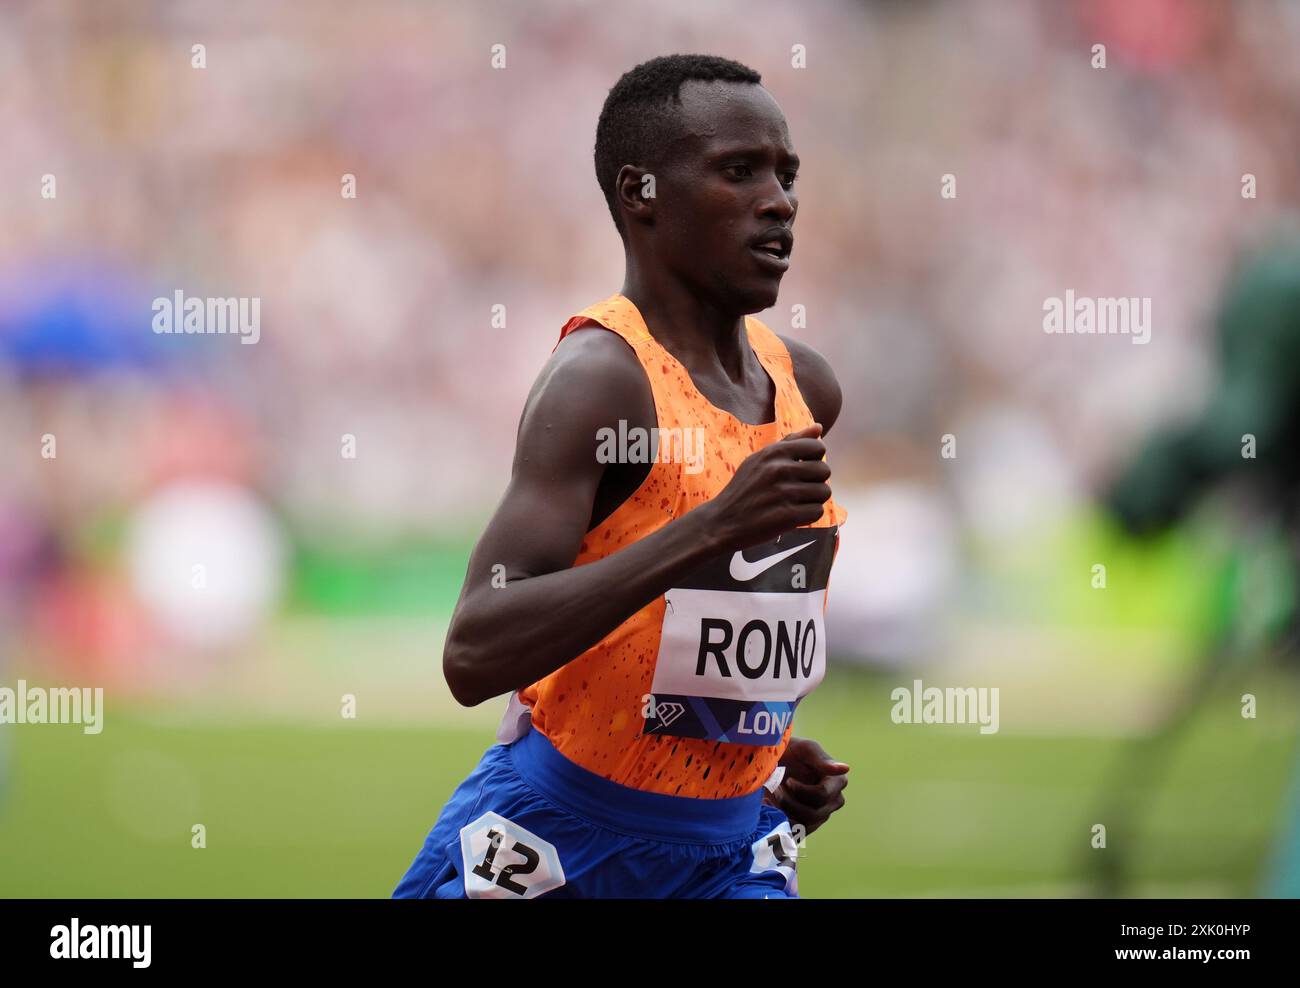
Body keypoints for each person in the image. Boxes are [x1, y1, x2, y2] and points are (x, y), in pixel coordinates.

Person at [394, 54, 849, 899]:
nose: (779, 201)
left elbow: (708, 629)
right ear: (641, 192)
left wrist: (763, 748)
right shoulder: (602, 380)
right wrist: (712, 527)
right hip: (559, 842)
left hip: (729, 850)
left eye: (786, 175)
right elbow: (474, 648)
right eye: (738, 171)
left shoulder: (805, 390)